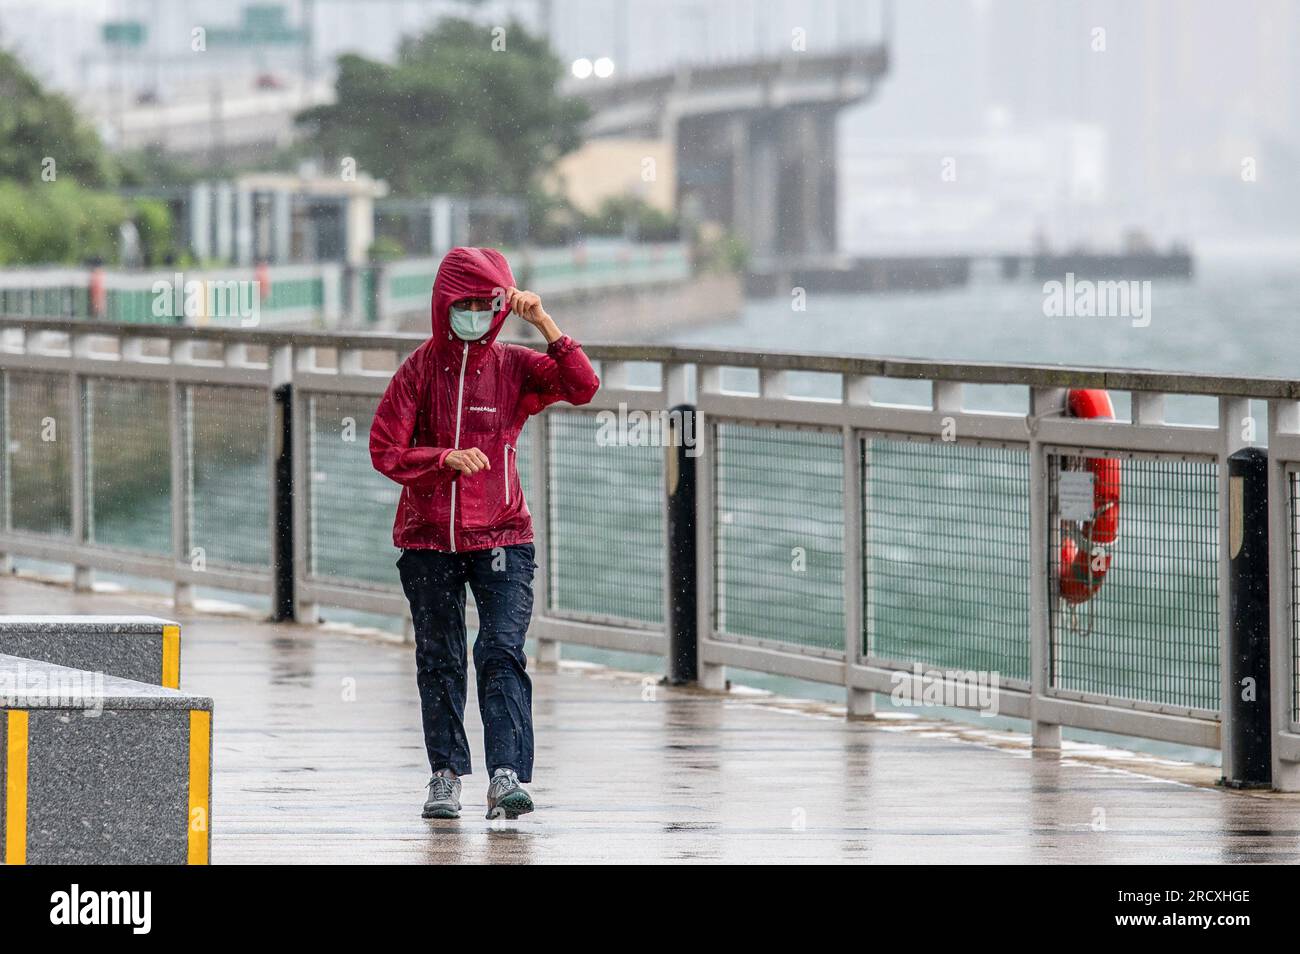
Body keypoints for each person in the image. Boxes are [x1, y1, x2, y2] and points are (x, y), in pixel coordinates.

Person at [370, 246, 599, 820]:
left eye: (485, 303)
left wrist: (543, 322)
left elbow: (583, 386)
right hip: (428, 542)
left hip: (502, 539)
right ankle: (444, 777)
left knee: (501, 650)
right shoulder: (418, 371)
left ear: (501, 306)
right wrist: (443, 459)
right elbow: (385, 449)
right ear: (443, 304)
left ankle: (505, 776)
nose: (473, 313)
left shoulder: (515, 367)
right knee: (439, 657)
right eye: (462, 303)